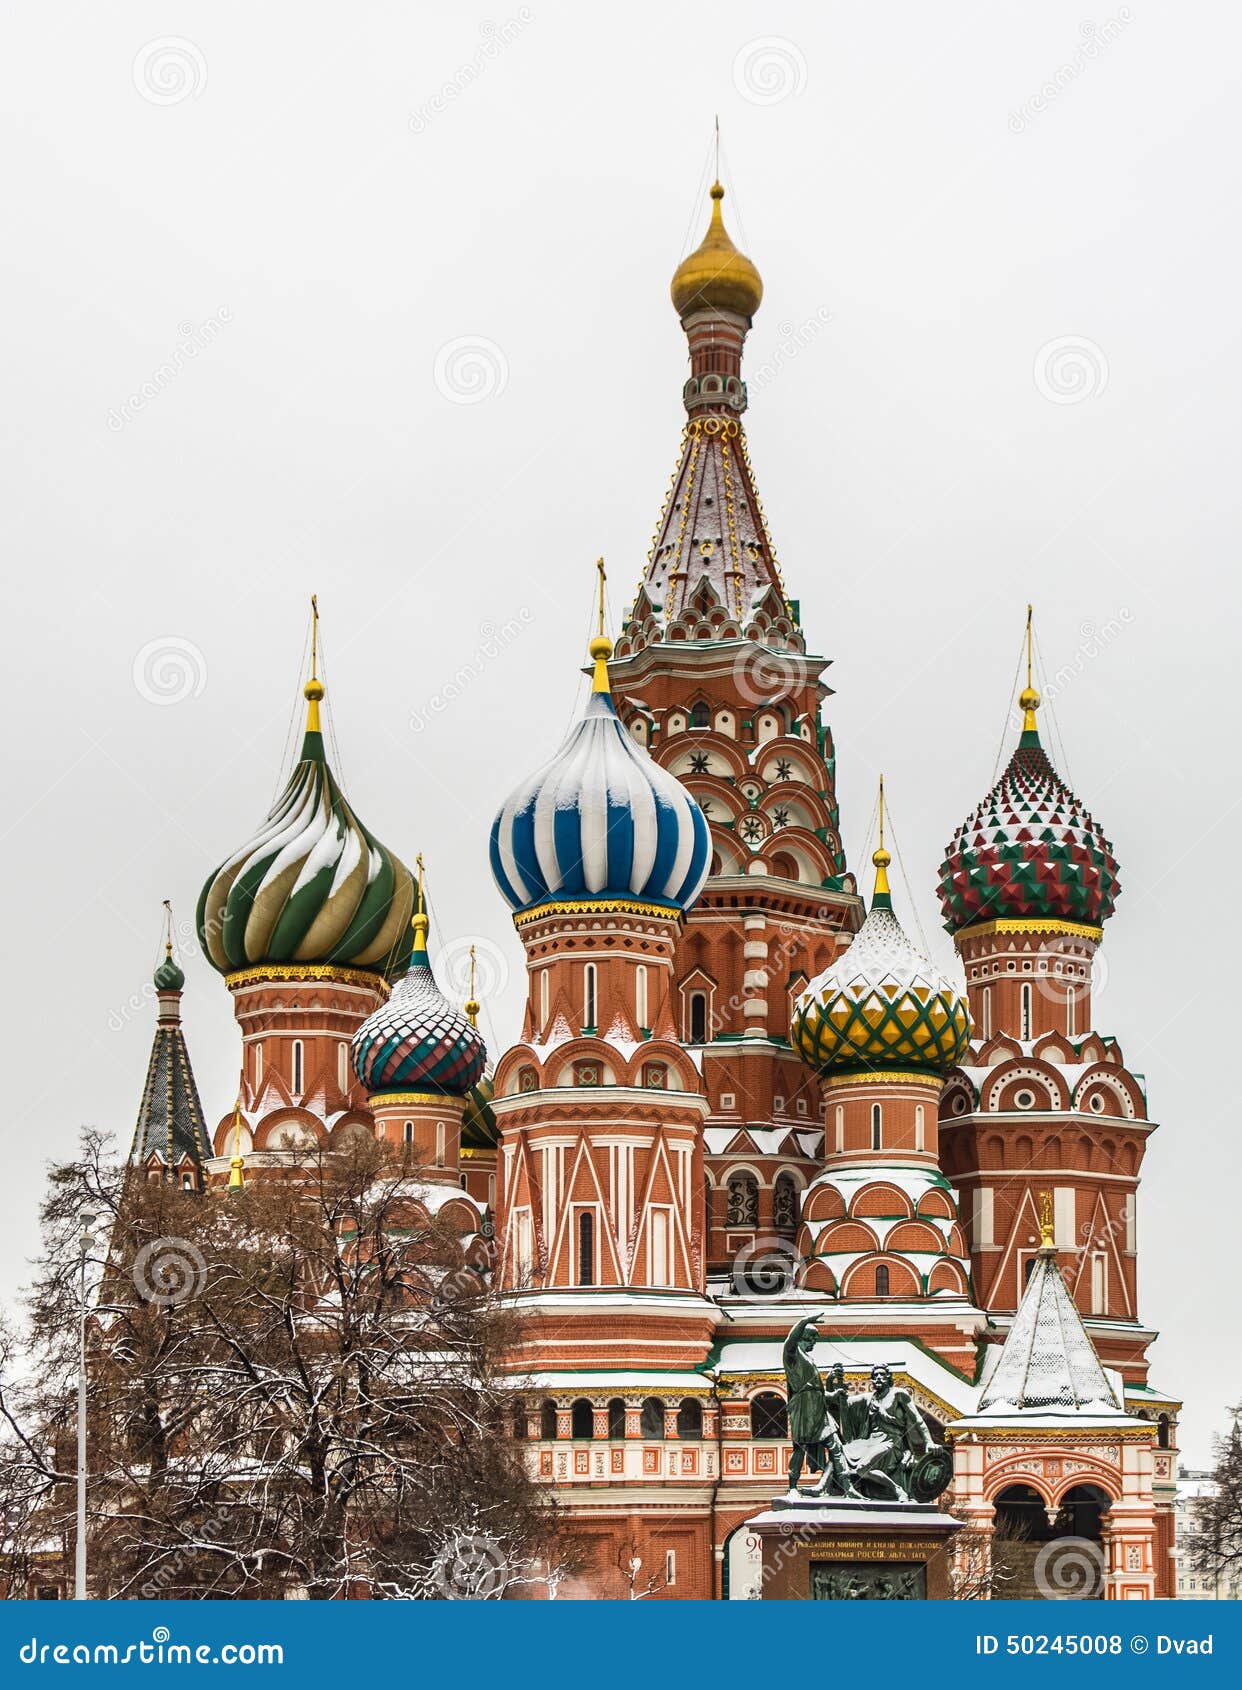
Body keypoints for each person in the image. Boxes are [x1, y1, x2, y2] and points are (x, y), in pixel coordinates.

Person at [780, 1316, 861, 1498]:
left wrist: (832, 1394)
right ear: (803, 1337)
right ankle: (793, 1486)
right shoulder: (792, 1355)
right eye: (812, 1339)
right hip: (803, 1408)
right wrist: (805, 1320)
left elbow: (816, 1390)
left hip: (819, 1408)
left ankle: (848, 1487)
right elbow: (790, 1339)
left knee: (836, 1446)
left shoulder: (808, 1359)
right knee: (800, 1447)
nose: (814, 1343)